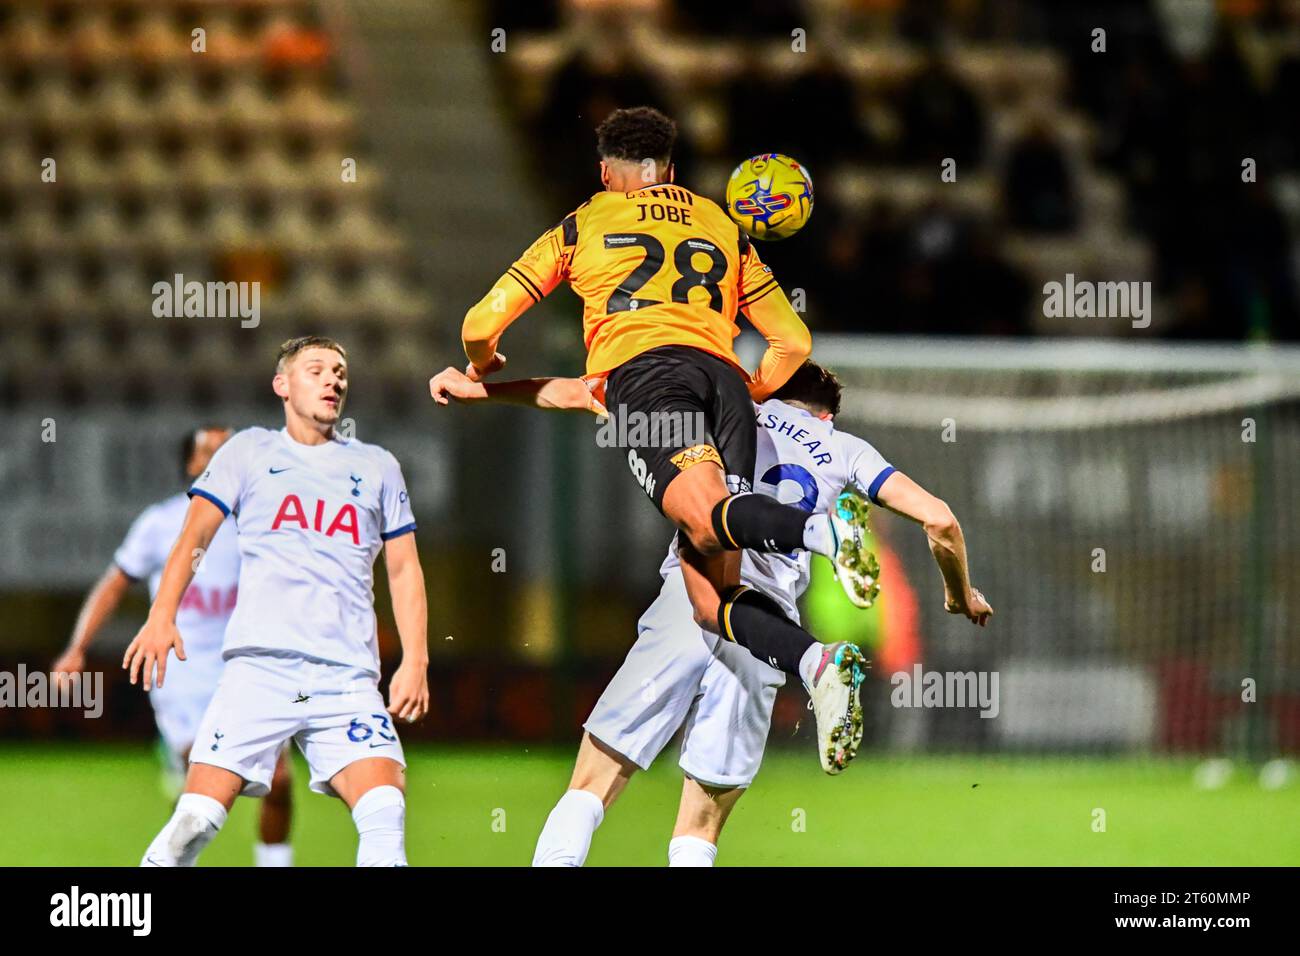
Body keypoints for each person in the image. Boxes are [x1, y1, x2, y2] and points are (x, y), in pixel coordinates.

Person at [452, 105, 885, 773]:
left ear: (605, 172)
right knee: (713, 598)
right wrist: (752, 392)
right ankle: (815, 661)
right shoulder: (719, 222)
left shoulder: (583, 223)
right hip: (724, 382)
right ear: (672, 171)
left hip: (648, 381)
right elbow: (793, 341)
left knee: (705, 523)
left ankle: (826, 534)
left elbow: (482, 322)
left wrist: (482, 365)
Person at [430, 360, 991, 865]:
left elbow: (579, 394)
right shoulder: (848, 452)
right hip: (768, 627)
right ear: (828, 415)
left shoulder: (730, 406)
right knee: (699, 827)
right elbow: (939, 520)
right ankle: (819, 604)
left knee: (592, 782)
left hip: (694, 596)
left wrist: (483, 391)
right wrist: (959, 593)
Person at [126, 336, 429, 866]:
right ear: (282, 385)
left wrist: (416, 659)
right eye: (317, 370)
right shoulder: (248, 453)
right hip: (259, 672)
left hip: (347, 678)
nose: (333, 379)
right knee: (194, 824)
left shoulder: (379, 466)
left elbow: (403, 569)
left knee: (385, 816)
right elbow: (194, 536)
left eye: (340, 371)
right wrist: (160, 614)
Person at [53, 426, 296, 867]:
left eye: (229, 451)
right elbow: (114, 584)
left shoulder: (262, 522)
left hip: (248, 670)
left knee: (278, 782)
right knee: (200, 789)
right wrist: (77, 648)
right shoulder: (161, 522)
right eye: (211, 452)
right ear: (191, 465)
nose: (222, 459)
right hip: (183, 672)